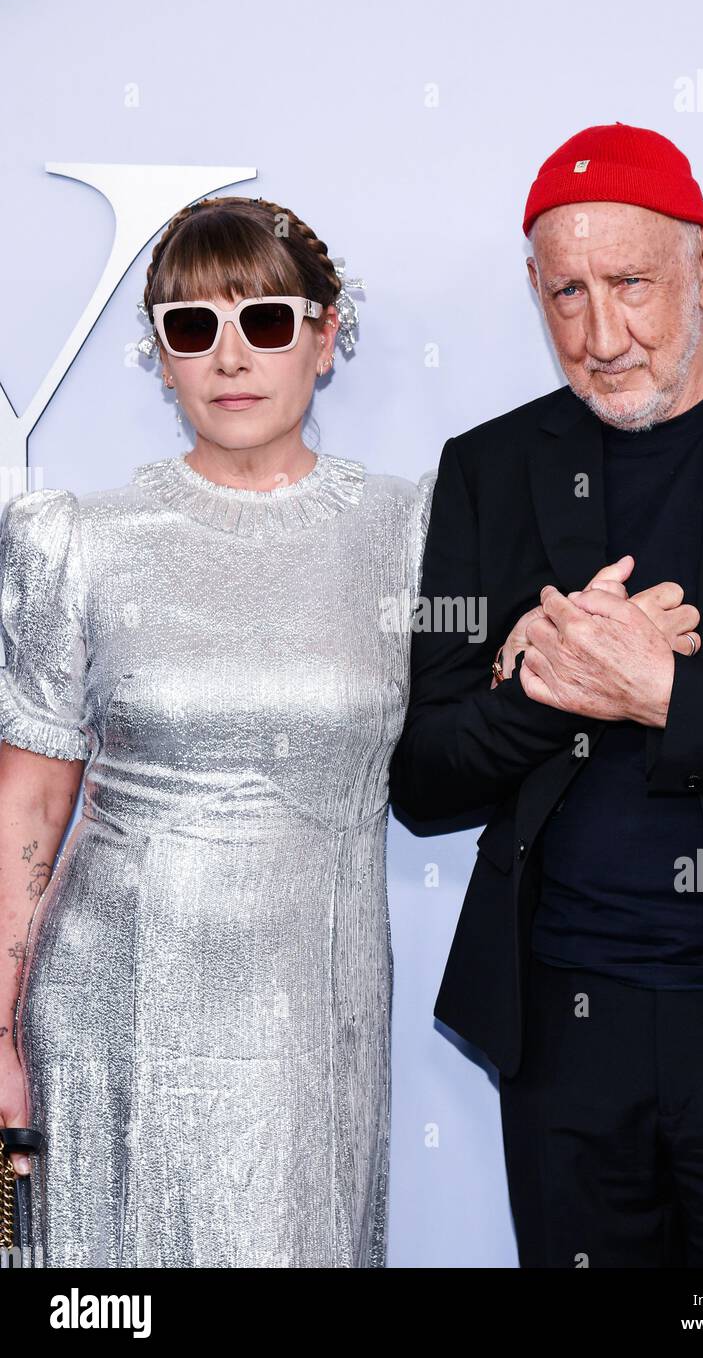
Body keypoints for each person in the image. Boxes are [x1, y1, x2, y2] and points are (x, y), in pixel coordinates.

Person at [390, 122, 703, 1267]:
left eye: (631, 285)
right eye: (565, 293)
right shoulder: (487, 467)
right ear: (532, 290)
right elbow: (423, 779)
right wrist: (555, 691)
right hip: (563, 1024)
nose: (600, 337)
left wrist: (663, 692)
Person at [0, 195, 435, 1267]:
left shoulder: (411, 533)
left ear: (327, 338)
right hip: (109, 1006)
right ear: (159, 358)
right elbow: (29, 808)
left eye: (267, 322)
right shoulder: (79, 542)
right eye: (190, 329)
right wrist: (0, 1037)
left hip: (310, 1012)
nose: (229, 358)